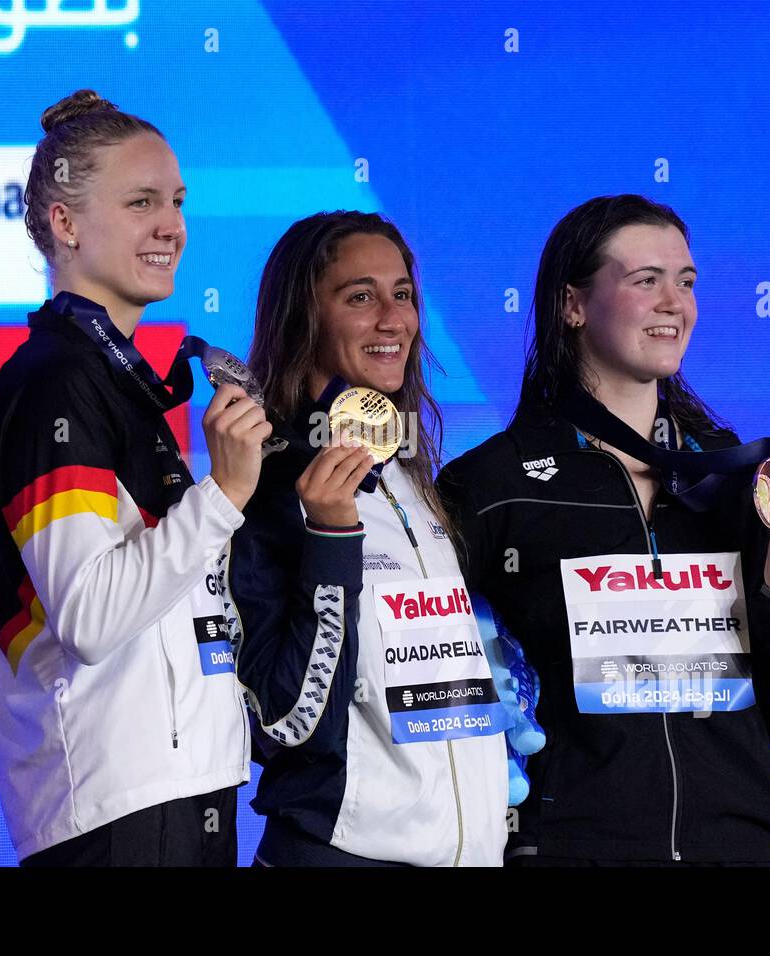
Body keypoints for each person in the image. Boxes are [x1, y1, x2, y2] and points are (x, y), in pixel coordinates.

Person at [437, 194, 770, 866]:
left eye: (685, 282)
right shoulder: (489, 486)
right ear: (572, 305)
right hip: (567, 848)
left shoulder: (731, 476)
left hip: (731, 847)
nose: (674, 302)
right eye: (644, 280)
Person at [0, 89, 271, 866]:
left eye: (176, 201)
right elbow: (92, 617)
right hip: (120, 806)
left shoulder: (104, 376)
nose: (173, 226)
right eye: (141, 203)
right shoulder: (55, 377)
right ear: (64, 225)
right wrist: (224, 493)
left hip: (172, 785)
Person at [227, 211, 509, 867]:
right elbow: (283, 724)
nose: (393, 318)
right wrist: (330, 541)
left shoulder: (410, 476)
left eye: (402, 294)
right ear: (306, 318)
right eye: (360, 297)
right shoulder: (266, 486)